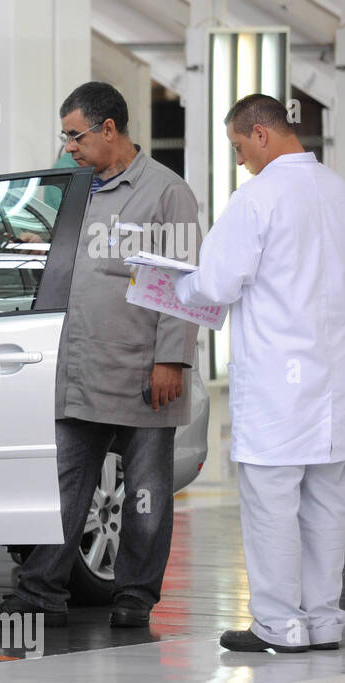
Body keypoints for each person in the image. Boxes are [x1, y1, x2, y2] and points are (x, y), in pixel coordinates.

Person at [0, 81, 201, 628]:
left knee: (145, 493)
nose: (70, 148)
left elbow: (182, 282)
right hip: (78, 366)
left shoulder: (166, 192)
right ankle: (40, 591)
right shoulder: (73, 189)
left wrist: (171, 359)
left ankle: (134, 595)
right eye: (65, 138)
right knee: (63, 484)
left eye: (76, 136)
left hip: (145, 369)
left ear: (109, 129)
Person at [175, 94, 345, 653]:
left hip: (278, 382)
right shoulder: (338, 191)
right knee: (326, 506)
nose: (241, 160)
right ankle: (322, 620)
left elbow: (216, 284)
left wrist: (171, 286)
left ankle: (278, 623)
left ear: (263, 134)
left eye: (240, 147)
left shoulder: (257, 199)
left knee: (273, 505)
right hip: (332, 382)